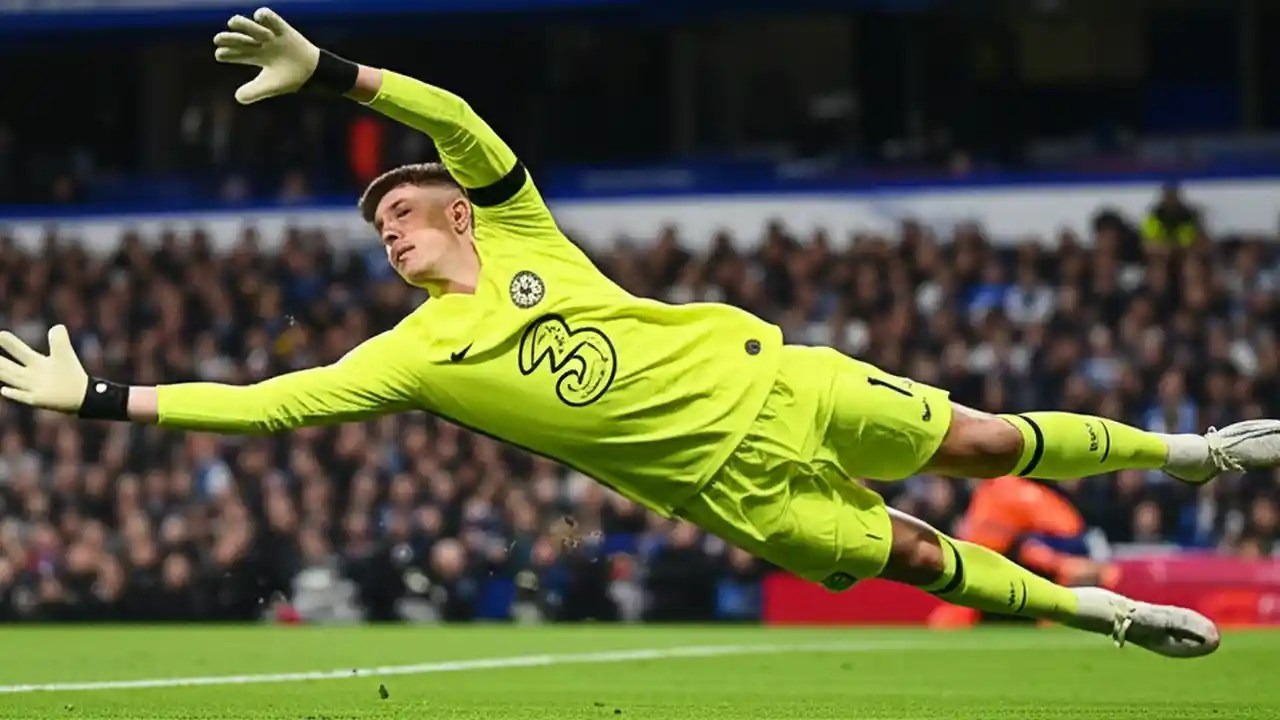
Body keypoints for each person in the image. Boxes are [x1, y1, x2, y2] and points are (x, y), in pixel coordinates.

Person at [3, 7, 1278, 657]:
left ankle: (1190, 454)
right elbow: (265, 405)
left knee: (989, 443)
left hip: (779, 385)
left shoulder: (520, 233)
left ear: (453, 208)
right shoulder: (405, 358)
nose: (388, 228)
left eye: (400, 207)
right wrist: (101, 398)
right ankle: (1105, 614)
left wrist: (336, 72)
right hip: (728, 491)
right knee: (924, 559)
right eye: (375, 224)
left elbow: (456, 117)